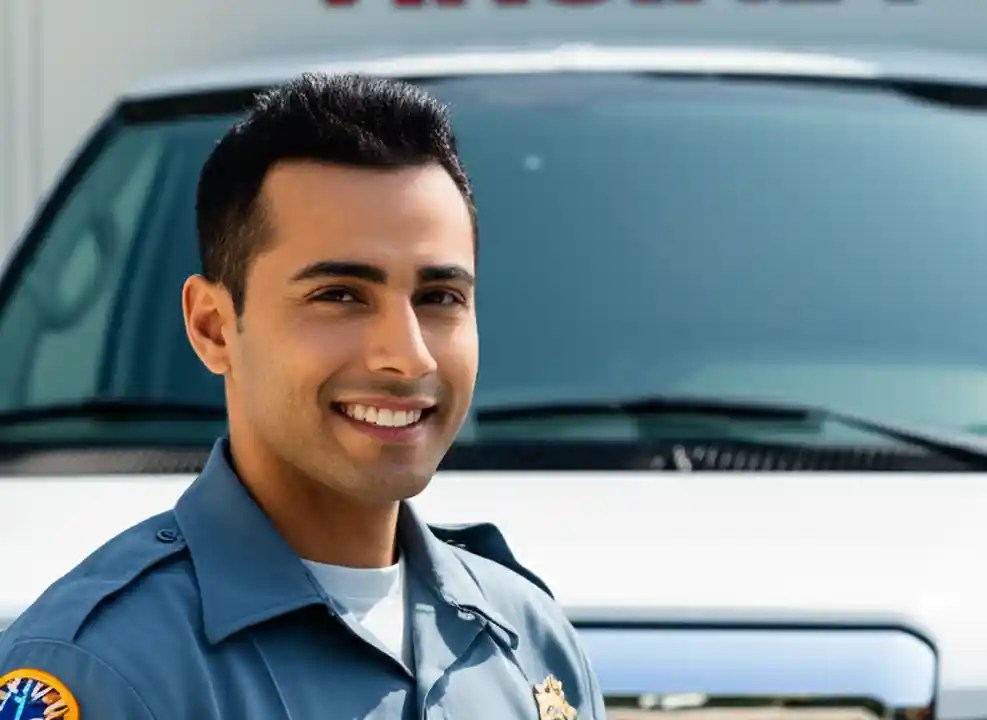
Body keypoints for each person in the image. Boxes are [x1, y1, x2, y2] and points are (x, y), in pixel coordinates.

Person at [0, 73, 605, 719]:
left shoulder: (528, 642)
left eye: (439, 298)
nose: (408, 356)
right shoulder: (107, 671)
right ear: (213, 328)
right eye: (339, 295)